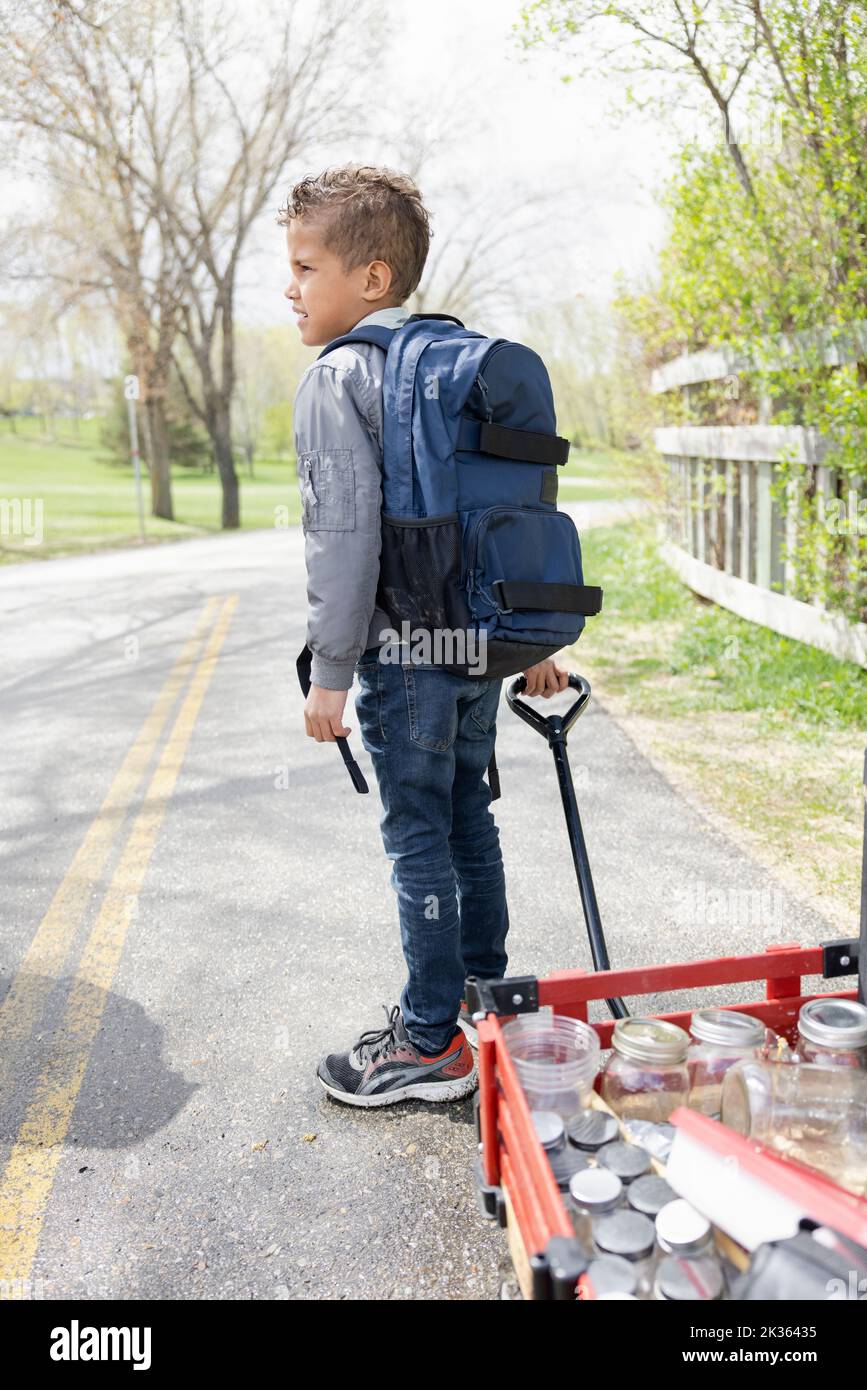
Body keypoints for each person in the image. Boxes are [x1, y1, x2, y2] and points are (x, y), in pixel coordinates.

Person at [281, 164, 568, 1107]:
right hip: (478, 643)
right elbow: (515, 502)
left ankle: (429, 1038)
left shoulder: (341, 377)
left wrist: (329, 674)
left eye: (304, 266)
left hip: (406, 654)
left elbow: (342, 539)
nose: (291, 287)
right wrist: (534, 638)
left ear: (370, 278)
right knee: (465, 817)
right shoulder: (454, 366)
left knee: (417, 836)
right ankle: (489, 999)